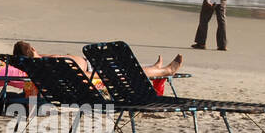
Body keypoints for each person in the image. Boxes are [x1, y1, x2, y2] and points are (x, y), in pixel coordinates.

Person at [13, 41, 183, 79]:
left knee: (127, 67)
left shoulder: (40, 63)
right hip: (93, 71)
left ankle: (155, 68)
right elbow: (81, 76)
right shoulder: (47, 65)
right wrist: (97, 76)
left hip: (91, 66)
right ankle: (165, 71)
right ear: (33, 50)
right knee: (129, 72)